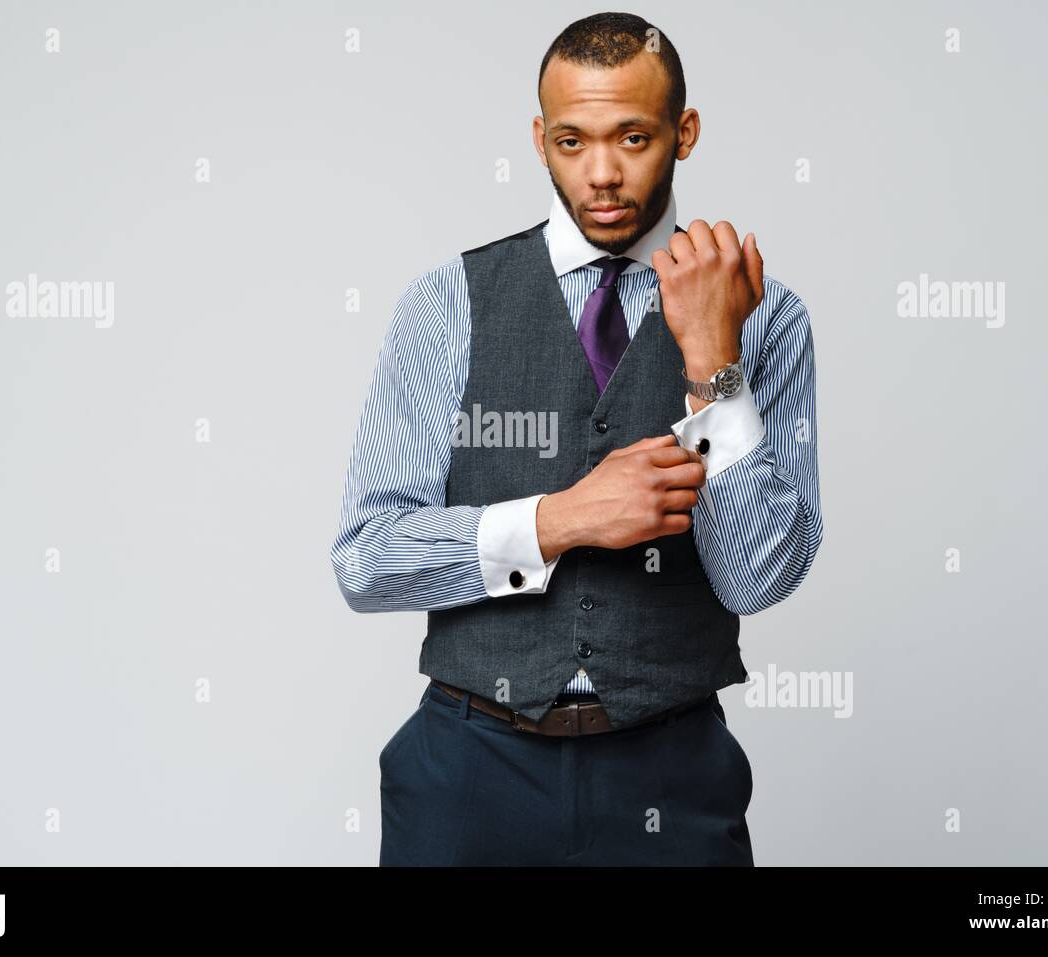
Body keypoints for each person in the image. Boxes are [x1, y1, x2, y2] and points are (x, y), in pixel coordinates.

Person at [331, 11, 822, 866]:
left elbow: (757, 575)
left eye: (633, 137)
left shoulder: (766, 315)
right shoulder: (447, 301)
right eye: (571, 141)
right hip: (466, 774)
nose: (601, 174)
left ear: (685, 131)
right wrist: (559, 519)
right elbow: (367, 559)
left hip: (672, 774)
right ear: (539, 137)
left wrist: (713, 362)